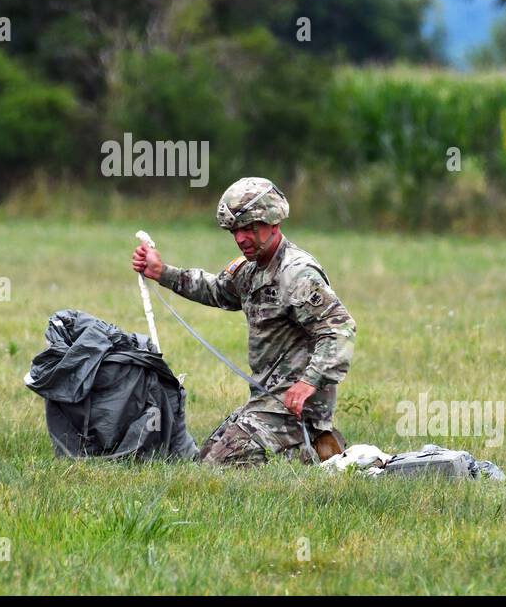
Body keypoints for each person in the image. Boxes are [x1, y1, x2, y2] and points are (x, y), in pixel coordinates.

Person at [131, 177, 356, 465]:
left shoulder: (297, 273)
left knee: (217, 466)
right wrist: (161, 272)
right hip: (266, 402)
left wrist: (308, 383)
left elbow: (340, 330)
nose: (241, 239)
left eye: (250, 228)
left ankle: (309, 444)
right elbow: (216, 291)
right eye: (235, 230)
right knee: (205, 457)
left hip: (293, 410)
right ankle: (309, 447)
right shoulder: (250, 269)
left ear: (274, 223)